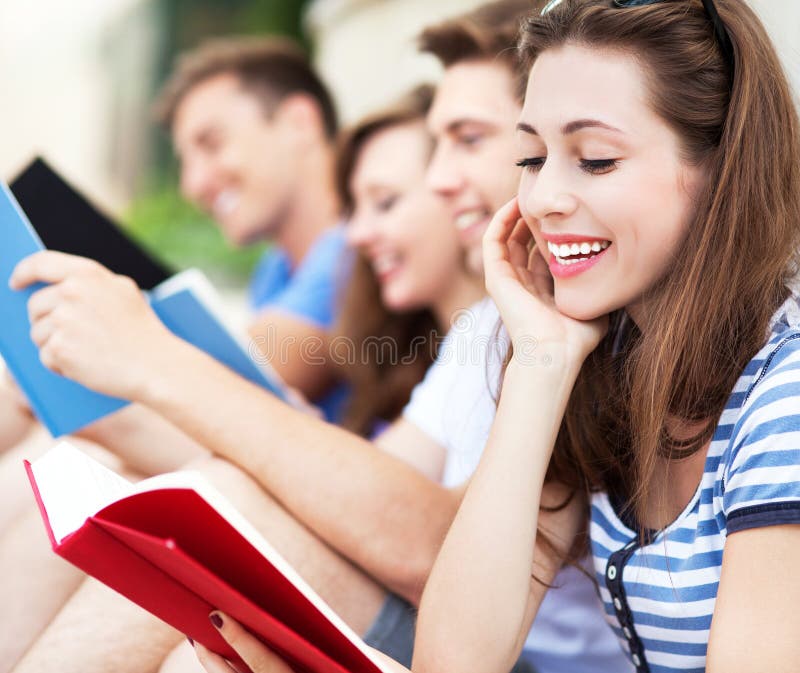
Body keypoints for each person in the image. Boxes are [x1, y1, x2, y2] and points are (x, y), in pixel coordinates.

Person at [9, 3, 628, 673]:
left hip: (496, 647)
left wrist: (150, 359)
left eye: (470, 139)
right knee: (155, 494)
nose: (440, 175)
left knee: (222, 505)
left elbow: (427, 540)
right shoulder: (488, 328)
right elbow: (374, 483)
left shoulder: (556, 324)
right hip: (454, 627)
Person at [155, 36, 350, 419]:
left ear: (299, 123)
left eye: (211, 144)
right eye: (186, 162)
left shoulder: (357, 250)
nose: (192, 185)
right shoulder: (276, 269)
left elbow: (221, 402)